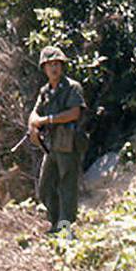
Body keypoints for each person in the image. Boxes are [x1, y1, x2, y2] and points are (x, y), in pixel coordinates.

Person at [28, 46, 87, 233]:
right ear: (44, 68)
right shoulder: (45, 91)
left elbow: (74, 113)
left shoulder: (72, 87)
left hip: (69, 143)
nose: (54, 68)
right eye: (50, 65)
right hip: (52, 144)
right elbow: (35, 112)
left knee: (67, 187)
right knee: (45, 187)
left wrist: (47, 120)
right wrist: (32, 126)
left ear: (61, 66)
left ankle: (65, 228)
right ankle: (55, 224)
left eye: (57, 64)